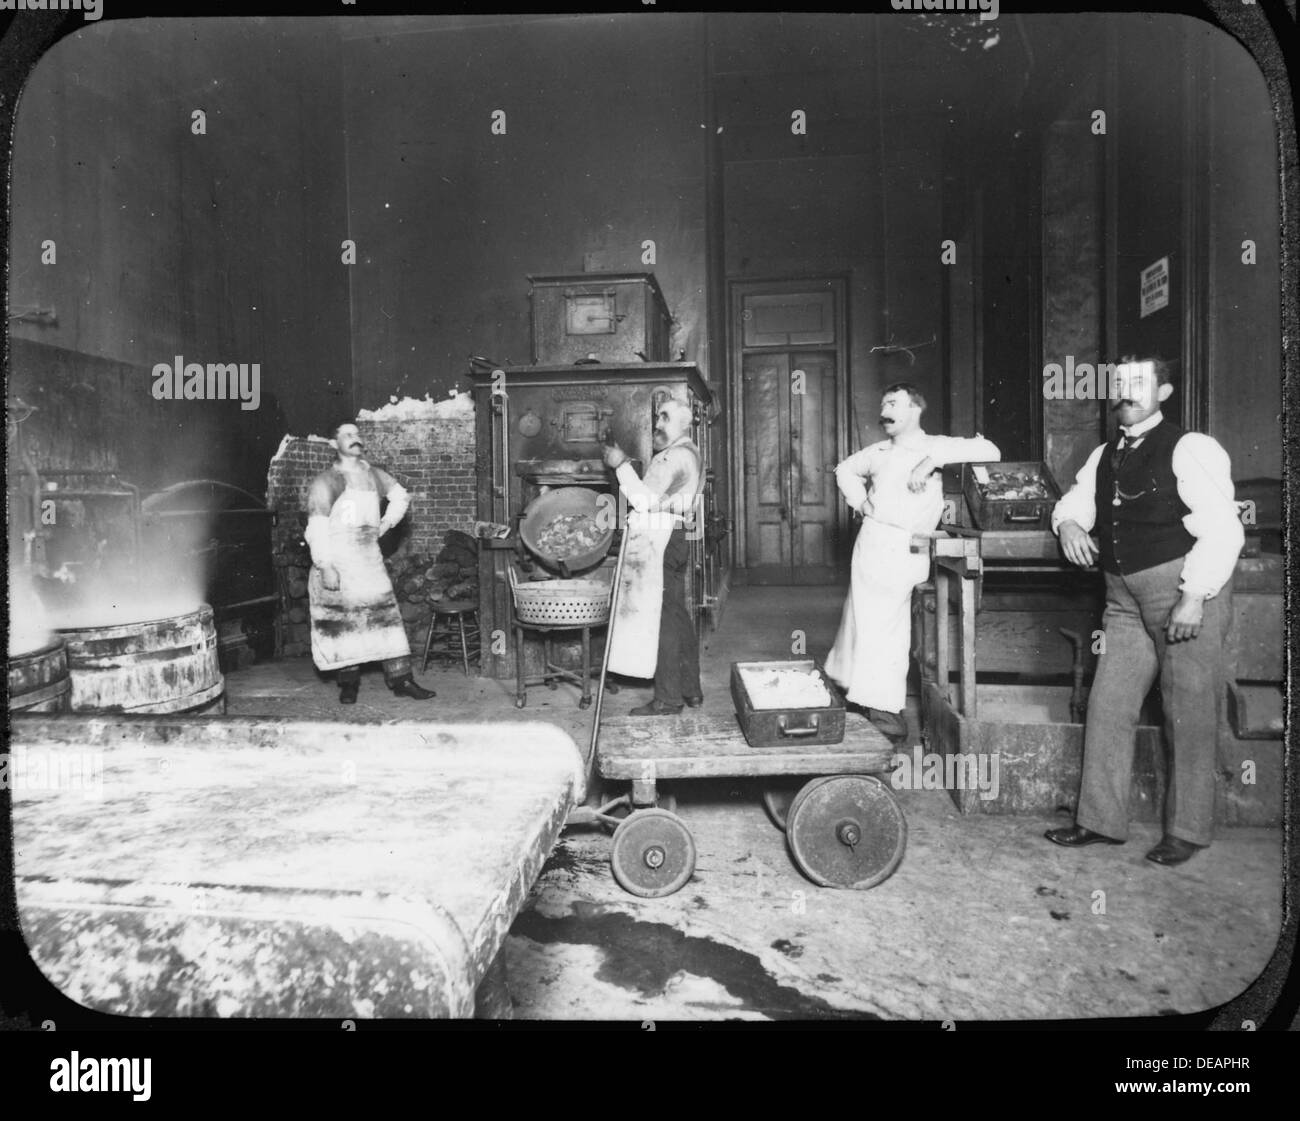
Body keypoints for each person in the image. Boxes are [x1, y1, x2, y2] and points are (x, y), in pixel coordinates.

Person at [1045, 357, 1243, 865]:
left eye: (1138, 385)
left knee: (1189, 713)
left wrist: (1195, 595)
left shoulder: (1191, 447)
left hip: (1179, 593)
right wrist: (1068, 525)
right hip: (1122, 602)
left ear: (1165, 390)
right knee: (1108, 705)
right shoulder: (1104, 453)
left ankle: (1189, 830)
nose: (1124, 394)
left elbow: (1223, 528)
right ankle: (1101, 821)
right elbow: (1074, 503)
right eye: (1118, 386)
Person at [825, 383, 1000, 742]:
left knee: (882, 625)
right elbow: (843, 469)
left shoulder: (935, 445)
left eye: (893, 403)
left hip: (908, 547)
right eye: (882, 403)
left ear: (915, 409)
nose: (884, 411)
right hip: (873, 541)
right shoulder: (878, 451)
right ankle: (871, 704)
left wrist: (932, 460)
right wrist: (861, 503)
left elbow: (991, 449)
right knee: (865, 620)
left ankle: (880, 706)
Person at [304, 421, 435, 704]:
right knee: (345, 624)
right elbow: (317, 527)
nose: (355, 438)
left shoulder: (375, 475)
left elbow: (401, 497)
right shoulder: (326, 482)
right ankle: (348, 684)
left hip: (369, 559)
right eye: (347, 435)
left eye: (357, 434)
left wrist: (386, 523)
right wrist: (325, 565)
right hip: (338, 561)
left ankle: (402, 680)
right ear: (333, 444)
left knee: (387, 621)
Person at [601, 391, 703, 716]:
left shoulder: (673, 457)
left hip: (662, 538)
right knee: (676, 613)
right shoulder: (690, 451)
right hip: (673, 536)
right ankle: (691, 689)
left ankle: (668, 699)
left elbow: (644, 501)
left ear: (684, 425)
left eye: (665, 418)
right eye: (657, 416)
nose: (657, 424)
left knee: (664, 619)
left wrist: (620, 465)